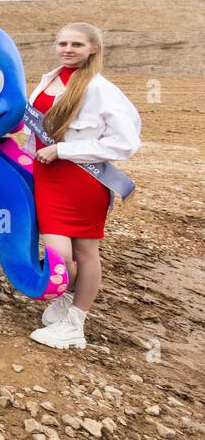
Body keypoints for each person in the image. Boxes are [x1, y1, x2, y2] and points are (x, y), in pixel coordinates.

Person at [25, 23, 141, 350]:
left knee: (85, 253)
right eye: (62, 43)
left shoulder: (100, 88)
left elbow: (125, 142)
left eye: (77, 44)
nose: (68, 49)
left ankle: (75, 324)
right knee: (58, 252)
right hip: (46, 176)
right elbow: (34, 130)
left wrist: (63, 150)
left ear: (92, 49)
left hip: (82, 180)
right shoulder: (48, 79)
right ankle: (64, 301)